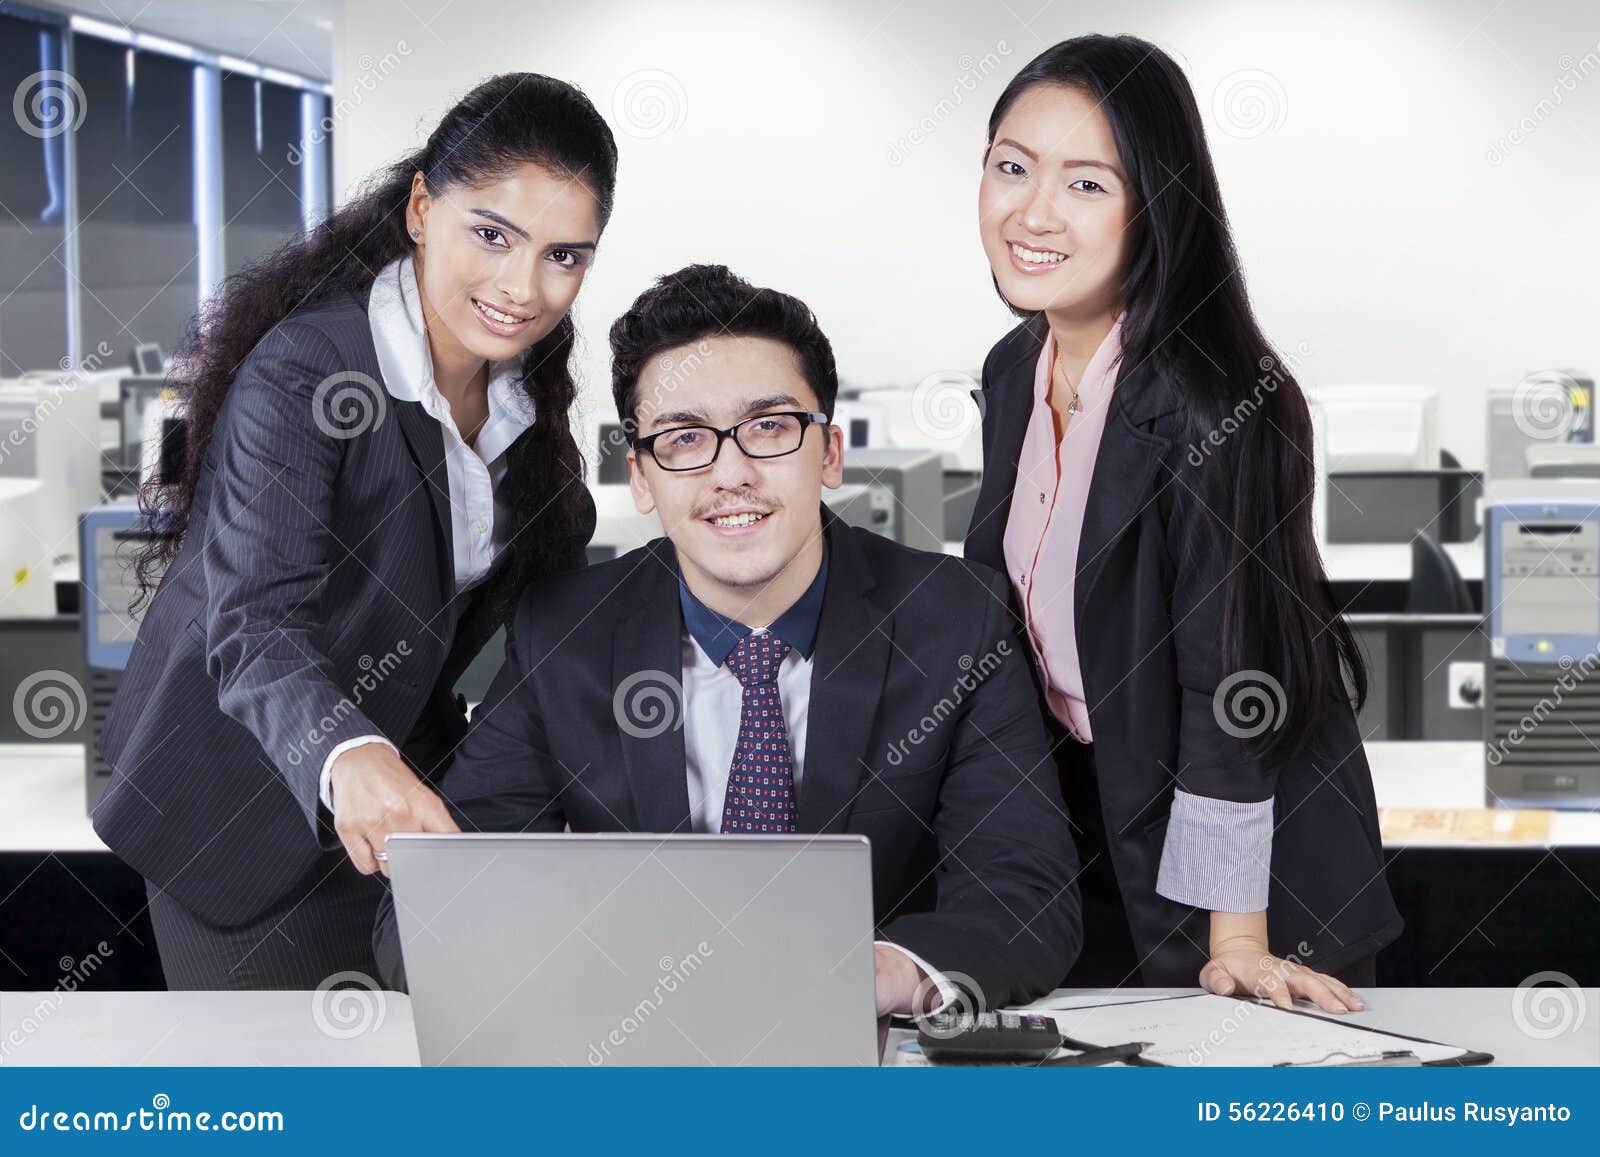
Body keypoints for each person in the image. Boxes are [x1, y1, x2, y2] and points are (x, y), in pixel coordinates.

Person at [372, 264, 1083, 1014]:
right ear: (641, 476)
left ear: (829, 453)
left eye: (769, 427)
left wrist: (882, 974)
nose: (731, 473)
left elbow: (1026, 896)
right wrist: (605, 979)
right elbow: (426, 914)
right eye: (684, 439)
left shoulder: (954, 620)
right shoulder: (565, 634)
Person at [94, 73, 616, 989]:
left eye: (563, 255)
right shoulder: (311, 369)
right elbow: (253, 622)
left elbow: (549, 617)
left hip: (407, 805)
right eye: (492, 235)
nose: (522, 287)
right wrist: (352, 754)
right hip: (237, 809)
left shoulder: (524, 403)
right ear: (421, 208)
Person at [964, 35, 1402, 1009]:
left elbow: (1232, 686)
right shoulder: (1012, 370)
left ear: (1155, 204)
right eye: (1011, 167)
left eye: (1086, 184)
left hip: (1250, 881)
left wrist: (1235, 932)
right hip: (1103, 852)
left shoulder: (1216, 401)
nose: (1032, 212)